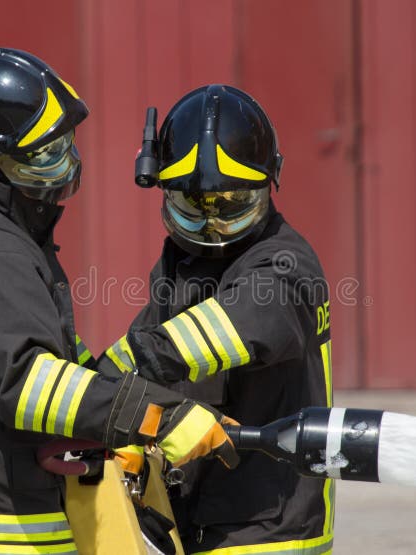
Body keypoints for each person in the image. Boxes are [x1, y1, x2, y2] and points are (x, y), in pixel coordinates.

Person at [0, 48, 238, 555]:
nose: (65, 164)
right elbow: (26, 381)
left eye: (64, 145)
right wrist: (158, 416)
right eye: (44, 155)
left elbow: (22, 347)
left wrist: (106, 416)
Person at [97, 84, 335, 555]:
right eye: (192, 208)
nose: (212, 226)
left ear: (267, 184)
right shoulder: (183, 261)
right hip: (199, 516)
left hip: (266, 530)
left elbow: (224, 330)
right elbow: (151, 345)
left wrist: (108, 379)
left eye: (232, 206)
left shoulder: (285, 265)